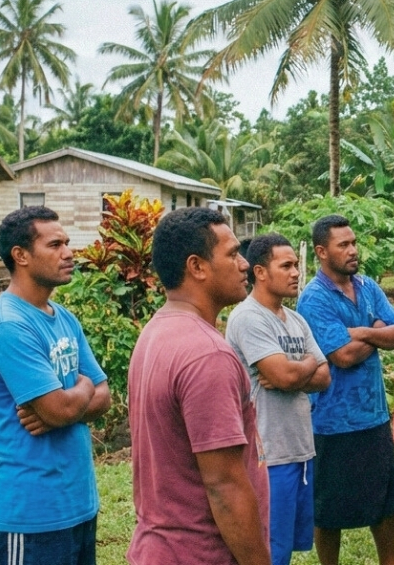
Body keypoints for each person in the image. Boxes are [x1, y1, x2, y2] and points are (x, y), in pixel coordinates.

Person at [127, 207, 269, 565]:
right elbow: (223, 487)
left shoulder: (157, 331)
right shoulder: (208, 355)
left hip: (158, 547)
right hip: (200, 553)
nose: (244, 265)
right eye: (233, 254)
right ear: (197, 267)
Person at [0, 206, 111, 565]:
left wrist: (67, 405)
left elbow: (105, 397)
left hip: (78, 503)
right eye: (55, 244)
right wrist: (79, 393)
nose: (68, 253)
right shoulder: (9, 325)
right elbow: (64, 406)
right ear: (20, 255)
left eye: (66, 243)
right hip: (31, 513)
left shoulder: (62, 317)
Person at [296, 215, 394, 565]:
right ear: (321, 251)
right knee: (328, 509)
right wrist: (376, 332)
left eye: (353, 242)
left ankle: (388, 561)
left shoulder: (367, 286)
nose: (353, 250)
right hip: (331, 421)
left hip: (373, 415)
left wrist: (359, 332)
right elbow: (342, 356)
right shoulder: (313, 300)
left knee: (386, 500)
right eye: (343, 245)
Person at [227, 233, 332, 565]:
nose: (296, 273)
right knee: (270, 548)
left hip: (299, 449)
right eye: (285, 266)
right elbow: (285, 375)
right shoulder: (249, 318)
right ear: (260, 272)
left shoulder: (296, 320)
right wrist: (303, 367)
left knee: (285, 546)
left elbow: (324, 376)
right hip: (267, 455)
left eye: (296, 265)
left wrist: (295, 370)